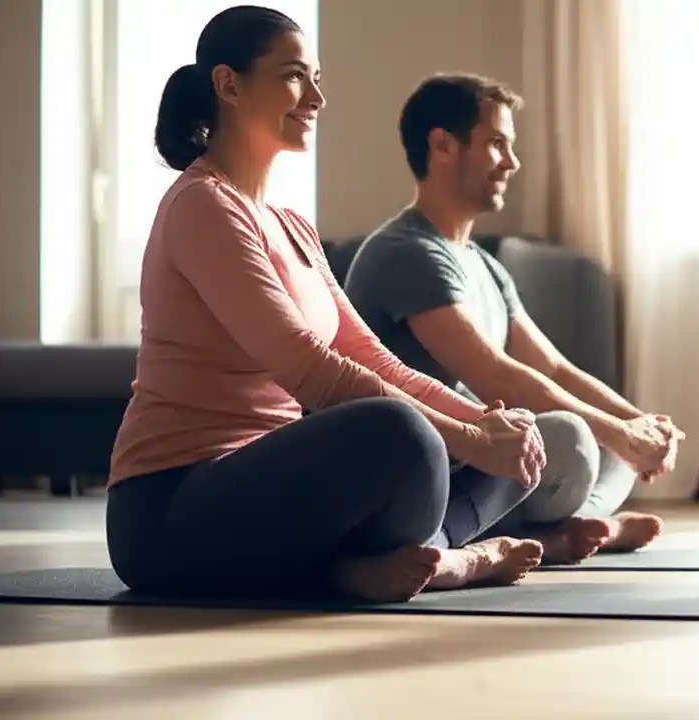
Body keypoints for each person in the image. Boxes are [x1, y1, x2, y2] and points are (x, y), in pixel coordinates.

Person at [105, 7, 549, 605]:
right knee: (403, 434)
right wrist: (464, 439)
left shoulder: (292, 225)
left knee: (518, 441)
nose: (315, 96)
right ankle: (404, 562)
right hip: (173, 507)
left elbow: (372, 356)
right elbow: (309, 368)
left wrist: (485, 428)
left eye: (317, 78)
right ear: (228, 84)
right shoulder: (203, 205)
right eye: (294, 76)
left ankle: (414, 560)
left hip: (276, 496)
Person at [344, 73, 684, 565]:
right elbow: (496, 374)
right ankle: (547, 530)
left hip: (502, 459)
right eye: (497, 144)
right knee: (572, 438)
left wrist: (638, 424)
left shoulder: (486, 266)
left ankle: (570, 527)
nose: (512, 162)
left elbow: (554, 368)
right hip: (450, 463)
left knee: (611, 448)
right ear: (442, 146)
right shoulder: (405, 252)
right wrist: (618, 432)